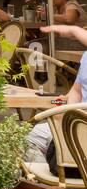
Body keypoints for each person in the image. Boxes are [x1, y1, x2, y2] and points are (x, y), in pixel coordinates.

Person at [25, 24, 87, 171]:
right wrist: (63, 112)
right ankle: (56, 187)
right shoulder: (86, 56)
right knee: (30, 138)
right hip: (76, 121)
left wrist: (74, 30)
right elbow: (76, 91)